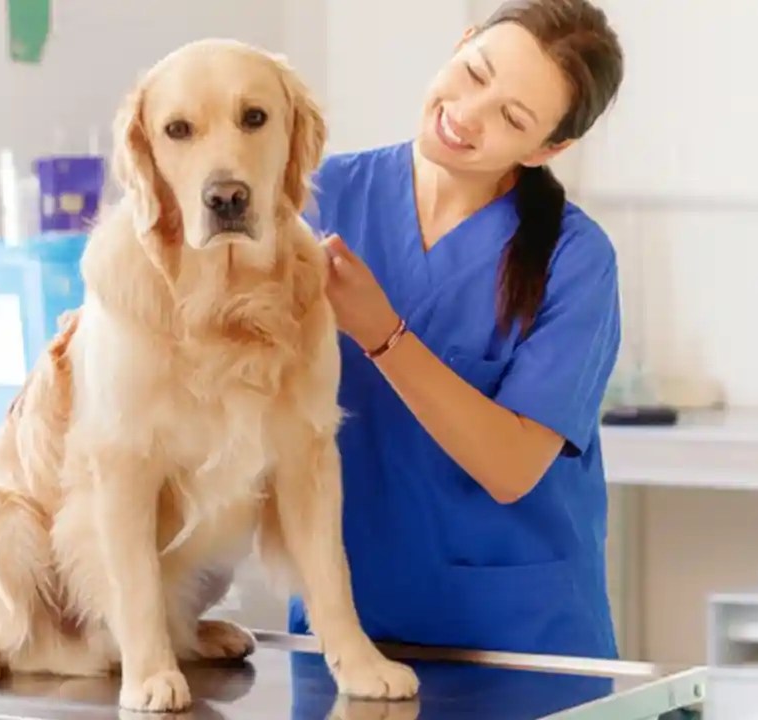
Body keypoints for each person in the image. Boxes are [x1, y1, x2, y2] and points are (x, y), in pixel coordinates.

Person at [289, 0, 626, 676]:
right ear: (462, 42)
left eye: (512, 118)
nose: (467, 115)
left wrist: (383, 334)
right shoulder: (317, 197)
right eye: (474, 73)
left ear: (547, 149)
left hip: (518, 645)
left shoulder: (575, 260)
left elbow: (511, 467)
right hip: (345, 632)